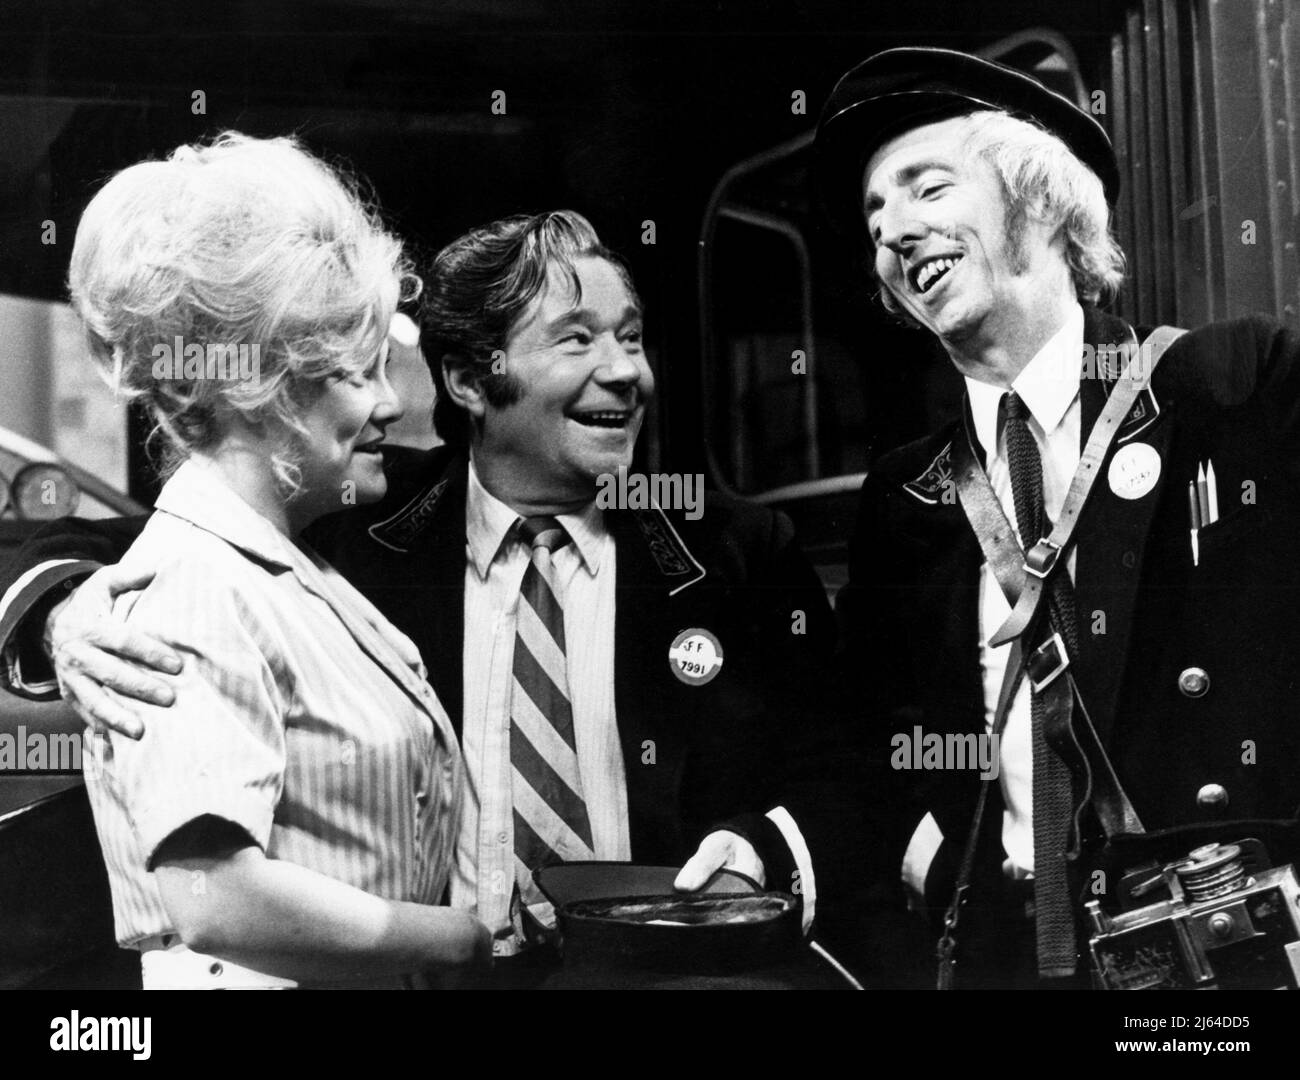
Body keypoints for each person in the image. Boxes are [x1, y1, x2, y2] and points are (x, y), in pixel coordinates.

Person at [1, 210, 838, 984]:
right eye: (577, 341)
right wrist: (66, 610)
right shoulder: (351, 522)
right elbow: (147, 537)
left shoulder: (734, 552)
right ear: (473, 380)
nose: (625, 373)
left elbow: (841, 766)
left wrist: (762, 848)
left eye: (633, 338)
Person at [791, 47, 1300, 989]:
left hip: (1216, 958)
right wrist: (928, 859)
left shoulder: (1232, 389)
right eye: (874, 217)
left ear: (1040, 198)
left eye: (925, 188)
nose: (893, 234)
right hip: (998, 954)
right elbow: (863, 747)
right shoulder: (907, 493)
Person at [28, 131, 490, 989]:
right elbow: (213, 900)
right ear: (259, 391)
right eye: (358, 372)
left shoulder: (289, 564)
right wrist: (448, 939)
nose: (391, 402)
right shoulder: (202, 585)